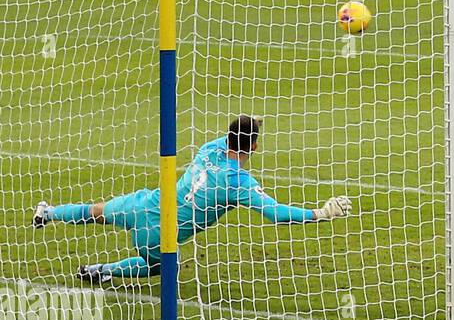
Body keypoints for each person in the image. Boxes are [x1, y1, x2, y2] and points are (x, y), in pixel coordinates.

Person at [37, 116, 351, 286]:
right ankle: (101, 270)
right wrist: (321, 212)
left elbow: (234, 136)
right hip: (159, 234)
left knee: (95, 212)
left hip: (143, 204)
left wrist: (246, 125)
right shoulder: (239, 183)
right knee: (165, 267)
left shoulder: (208, 149)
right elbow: (276, 214)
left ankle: (47, 213)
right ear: (253, 148)